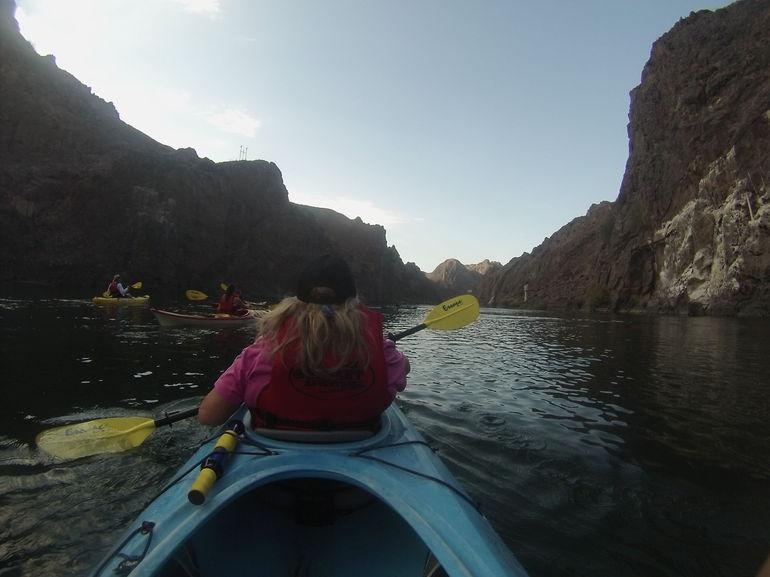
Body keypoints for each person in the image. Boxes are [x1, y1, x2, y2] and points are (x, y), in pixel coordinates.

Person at [199, 255, 411, 430]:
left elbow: (209, 416)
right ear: (353, 303)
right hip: (359, 441)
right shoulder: (383, 354)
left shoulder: (264, 350)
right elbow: (405, 366)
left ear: (295, 302)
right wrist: (384, 347)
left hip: (274, 442)